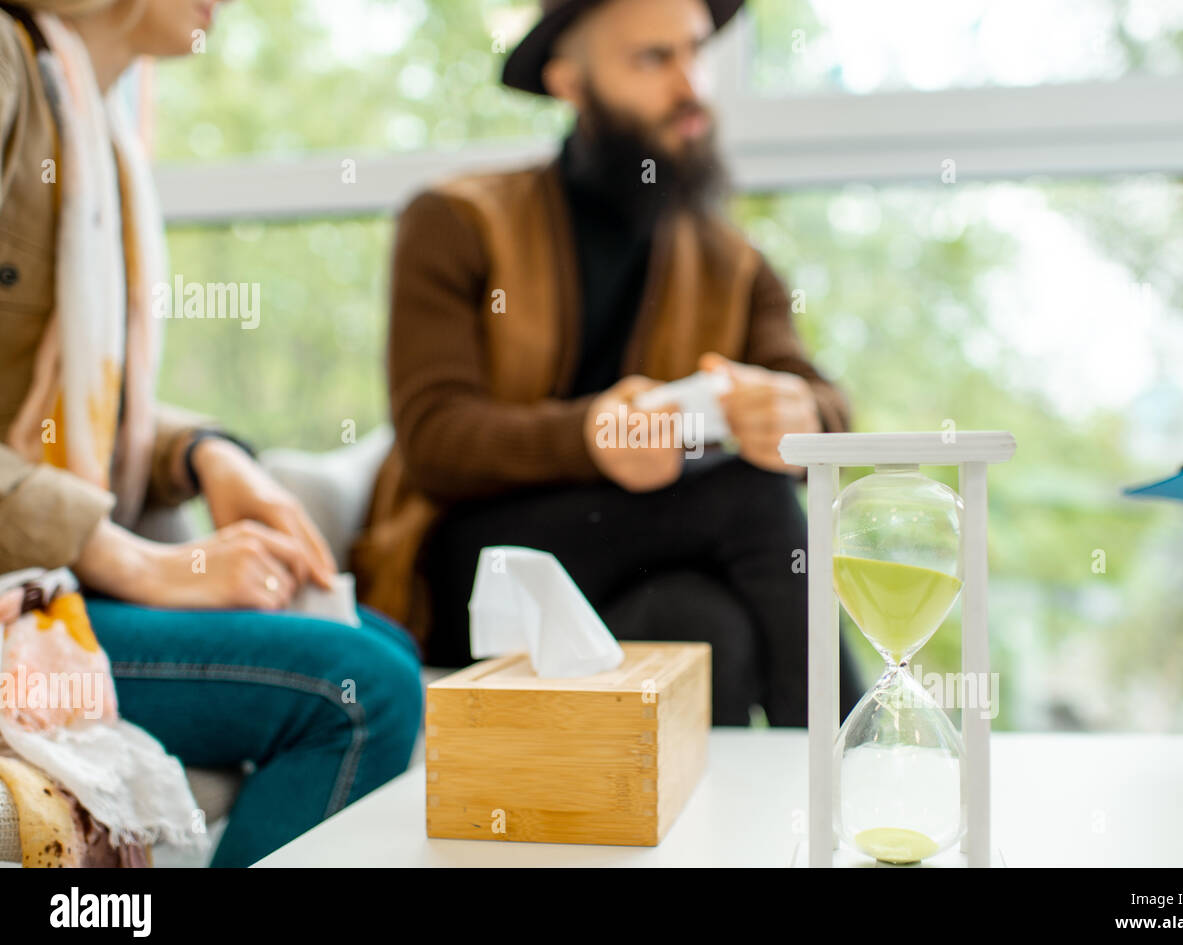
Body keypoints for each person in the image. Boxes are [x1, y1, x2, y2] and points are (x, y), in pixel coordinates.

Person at [354, 0, 864, 726]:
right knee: (752, 496)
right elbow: (435, 440)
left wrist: (800, 410)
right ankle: (856, 773)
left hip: (645, 571)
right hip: (479, 570)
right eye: (653, 59)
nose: (691, 84)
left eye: (695, 51)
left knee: (703, 623)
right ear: (569, 80)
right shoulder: (455, 222)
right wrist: (590, 436)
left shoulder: (737, 267)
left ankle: (719, 835)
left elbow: (823, 398)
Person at [0, 0, 422, 867]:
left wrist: (205, 453)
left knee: (387, 646)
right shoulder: (9, 69)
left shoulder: (93, 122)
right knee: (365, 692)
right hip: (22, 586)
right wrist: (134, 558)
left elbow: (79, 396)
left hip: (43, 565)